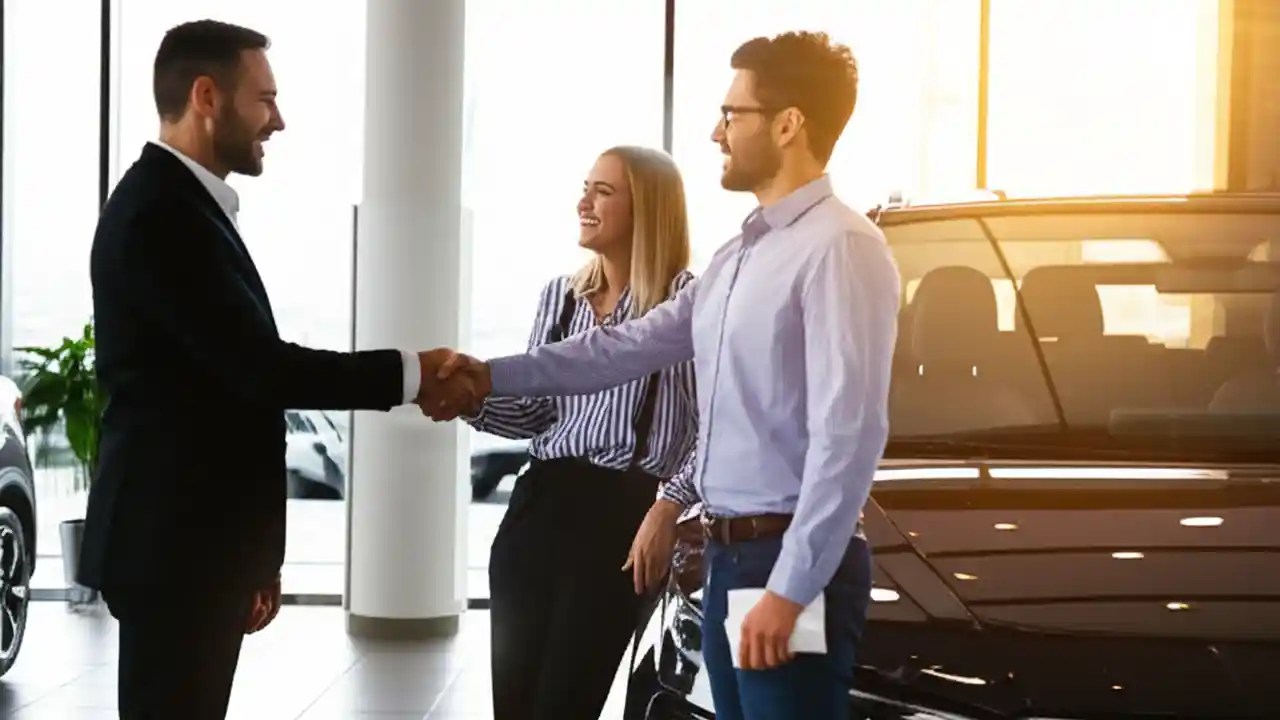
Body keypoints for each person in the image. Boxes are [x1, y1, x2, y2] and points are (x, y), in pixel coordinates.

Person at [433, 31, 899, 720]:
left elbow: (849, 437)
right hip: (727, 556)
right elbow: (618, 349)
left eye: (732, 114)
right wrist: (486, 377)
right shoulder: (740, 254)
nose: (717, 132)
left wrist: (792, 589)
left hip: (781, 563)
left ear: (789, 123)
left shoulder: (842, 247)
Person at [83, 20, 445, 718]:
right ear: (208, 95)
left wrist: (255, 558)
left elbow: (223, 399)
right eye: (266, 99)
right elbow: (261, 372)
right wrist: (413, 373)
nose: (277, 121)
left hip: (195, 546)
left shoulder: (182, 206)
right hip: (174, 552)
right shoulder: (161, 214)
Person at [462, 145, 697, 720]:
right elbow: (537, 415)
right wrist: (469, 398)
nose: (583, 203)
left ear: (649, 209)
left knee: (566, 704)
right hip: (538, 507)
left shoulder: (688, 303)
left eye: (603, 191)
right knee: (514, 706)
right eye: (585, 187)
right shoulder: (561, 297)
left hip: (622, 520)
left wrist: (668, 507)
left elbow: (710, 431)